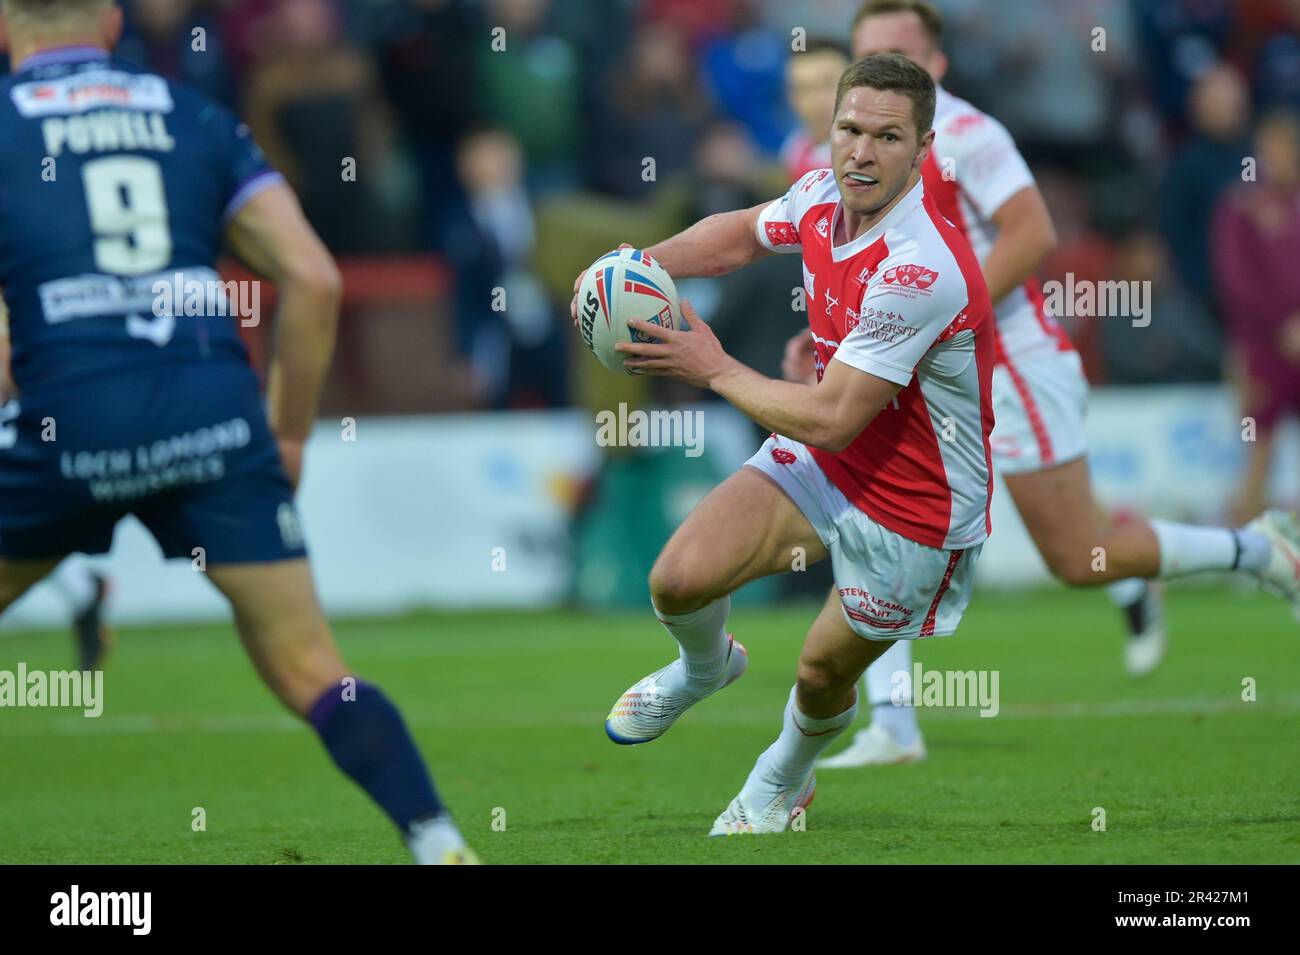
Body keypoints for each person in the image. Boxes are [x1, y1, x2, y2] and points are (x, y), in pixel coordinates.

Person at [0, 0, 475, 864]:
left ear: (5, 28)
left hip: (71, 420)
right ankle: (438, 840)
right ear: (110, 22)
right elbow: (314, 278)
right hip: (211, 416)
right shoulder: (192, 114)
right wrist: (287, 435)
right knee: (311, 670)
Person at [818, 0, 1300, 770]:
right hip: (934, 373)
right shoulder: (861, 149)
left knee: (1080, 555)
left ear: (936, 65)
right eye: (868, 53)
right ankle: (895, 725)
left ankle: (1257, 547)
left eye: (899, 53)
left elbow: (1034, 231)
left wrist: (944, 321)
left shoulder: (969, 134)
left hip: (1006, 362)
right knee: (872, 518)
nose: (881, 72)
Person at [575, 52, 999, 834]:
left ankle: (781, 780)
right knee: (677, 579)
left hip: (914, 503)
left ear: (923, 147)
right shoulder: (817, 194)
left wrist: (711, 366)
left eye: (887, 137)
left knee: (819, 670)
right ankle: (706, 666)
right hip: (831, 458)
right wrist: (635, 266)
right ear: (829, 130)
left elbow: (836, 415)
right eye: (850, 130)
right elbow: (737, 234)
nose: (862, 153)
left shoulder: (921, 267)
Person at [1212, 109, 1300, 523]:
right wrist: (1280, 327)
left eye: (1284, 149)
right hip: (1262, 348)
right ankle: (1244, 551)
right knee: (1258, 449)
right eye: (1269, 149)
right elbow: (1235, 281)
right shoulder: (1240, 206)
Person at [780, 37, 850, 182]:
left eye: (827, 84)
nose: (817, 100)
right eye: (804, 89)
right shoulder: (793, 150)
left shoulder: (871, 153)